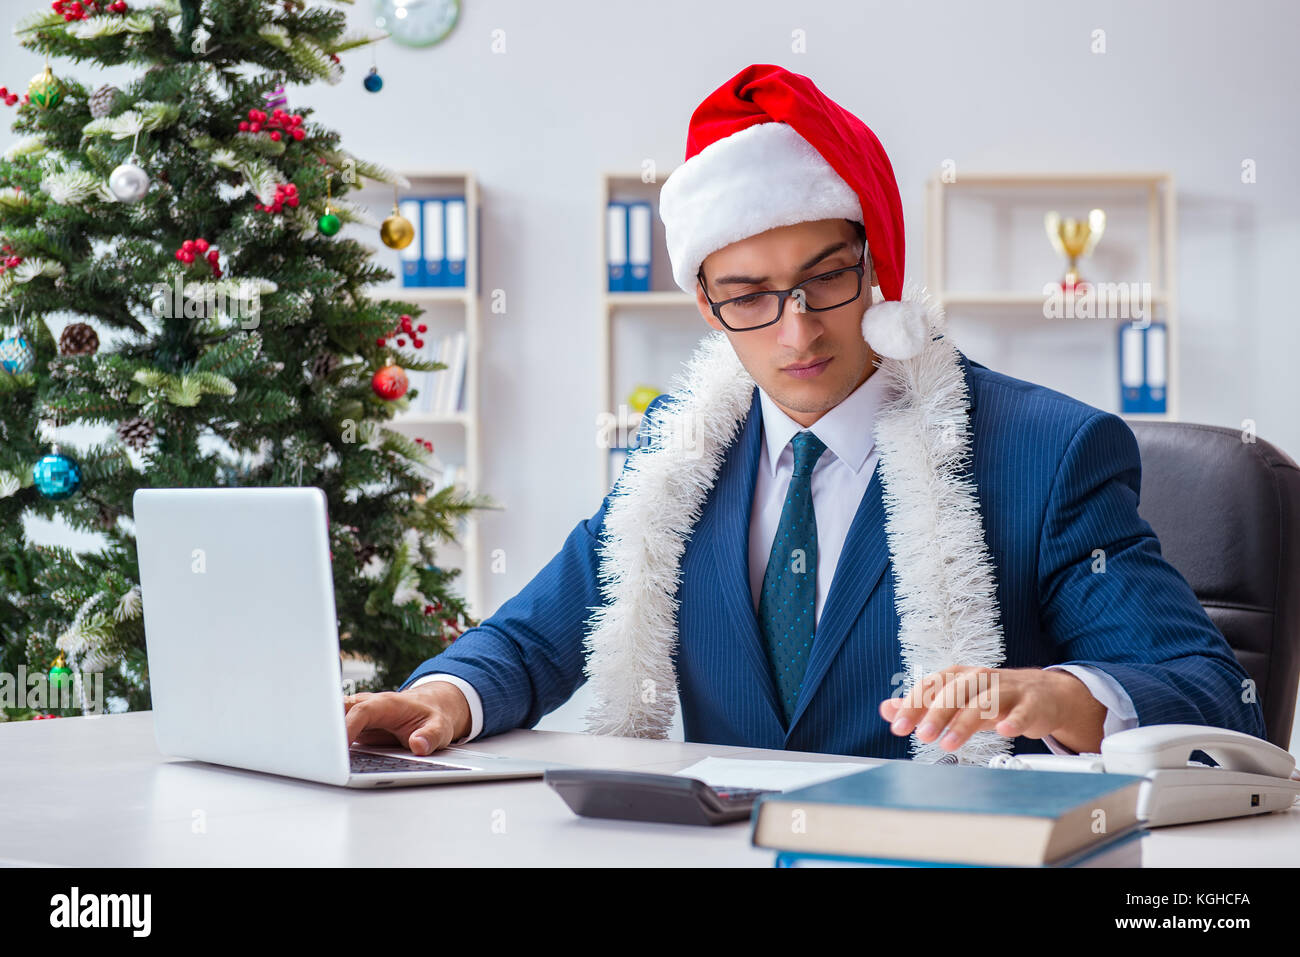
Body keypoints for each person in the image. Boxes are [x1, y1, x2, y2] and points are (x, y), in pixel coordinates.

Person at [344, 63, 1266, 765]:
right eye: (749, 295)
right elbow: (547, 627)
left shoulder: (1049, 452)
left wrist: (1064, 696)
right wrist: (450, 694)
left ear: (878, 262)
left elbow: (1210, 692)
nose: (798, 330)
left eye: (827, 277)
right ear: (707, 306)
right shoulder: (681, 448)